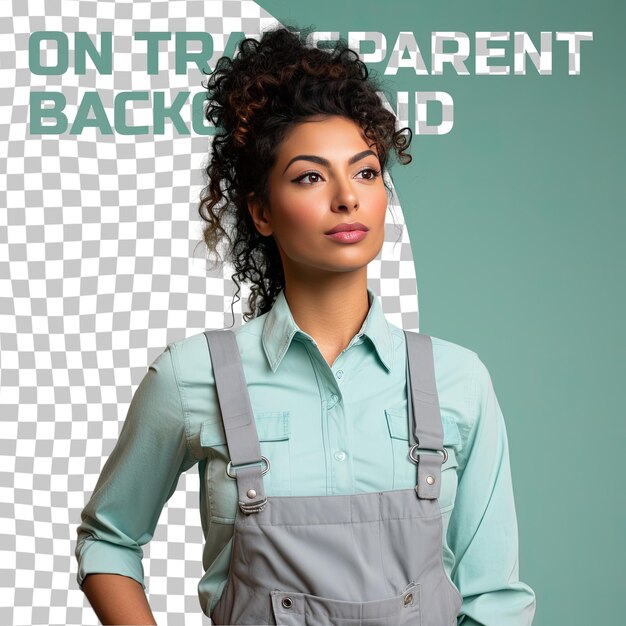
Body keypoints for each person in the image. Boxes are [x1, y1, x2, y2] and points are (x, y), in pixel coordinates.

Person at [74, 24, 536, 625]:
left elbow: (493, 602)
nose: (347, 197)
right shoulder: (193, 377)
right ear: (262, 212)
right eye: (310, 176)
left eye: (366, 172)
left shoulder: (458, 381)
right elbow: (109, 542)